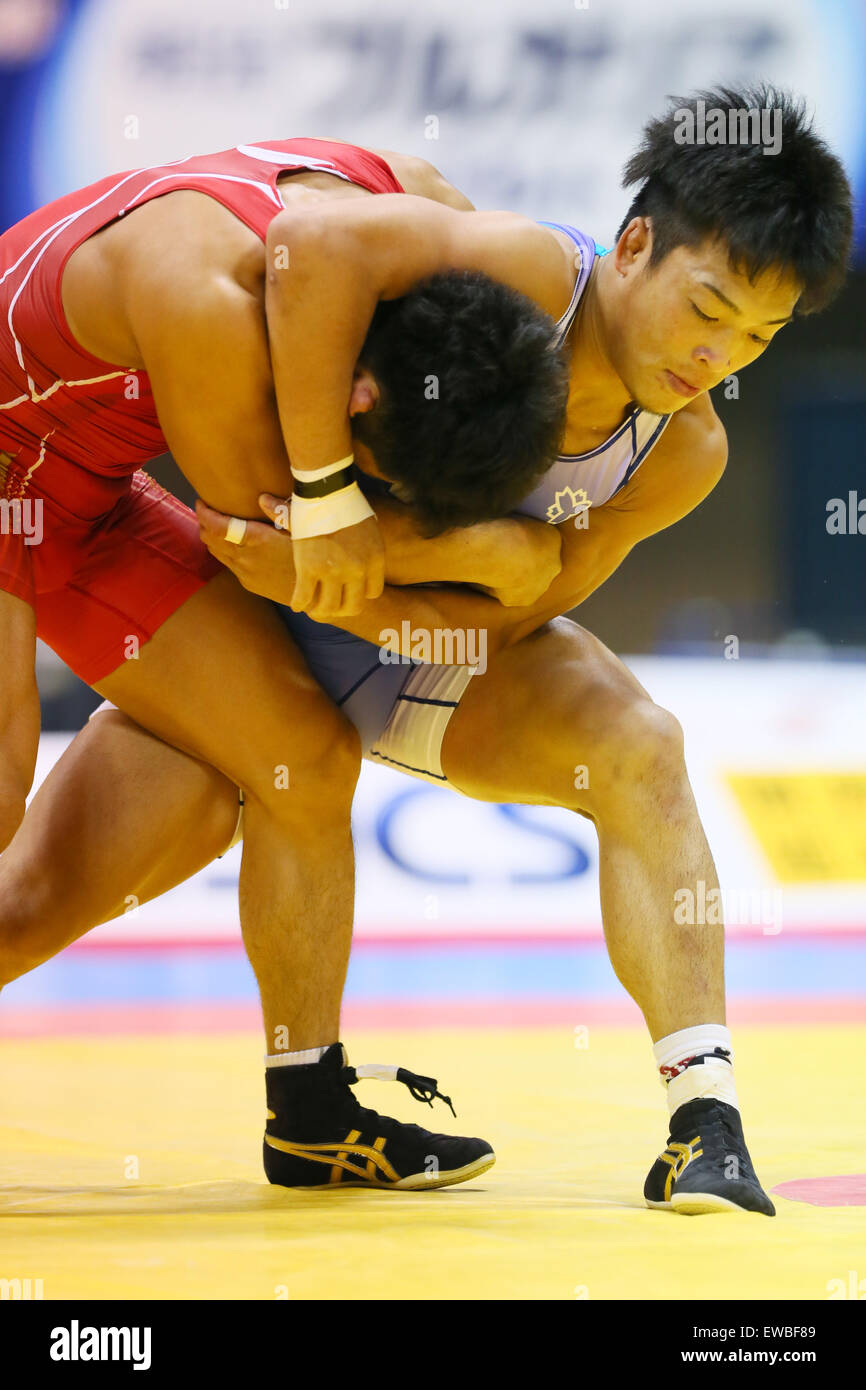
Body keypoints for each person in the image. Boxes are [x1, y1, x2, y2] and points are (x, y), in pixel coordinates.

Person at [1, 87, 853, 1209]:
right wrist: (340, 508)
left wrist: (420, 565)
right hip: (198, 540)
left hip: (347, 600)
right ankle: (308, 1105)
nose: (716, 354)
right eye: (706, 308)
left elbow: (509, 614)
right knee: (123, 817)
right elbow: (304, 269)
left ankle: (703, 1115)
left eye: (755, 336)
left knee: (638, 745)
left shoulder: (676, 447)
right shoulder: (457, 268)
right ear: (633, 243)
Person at [0, 136, 573, 1189]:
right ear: (356, 397)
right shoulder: (208, 305)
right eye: (373, 473)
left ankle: (309, 1113)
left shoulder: (424, 214)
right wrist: (501, 552)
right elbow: (271, 553)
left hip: (83, 488)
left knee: (298, 761)